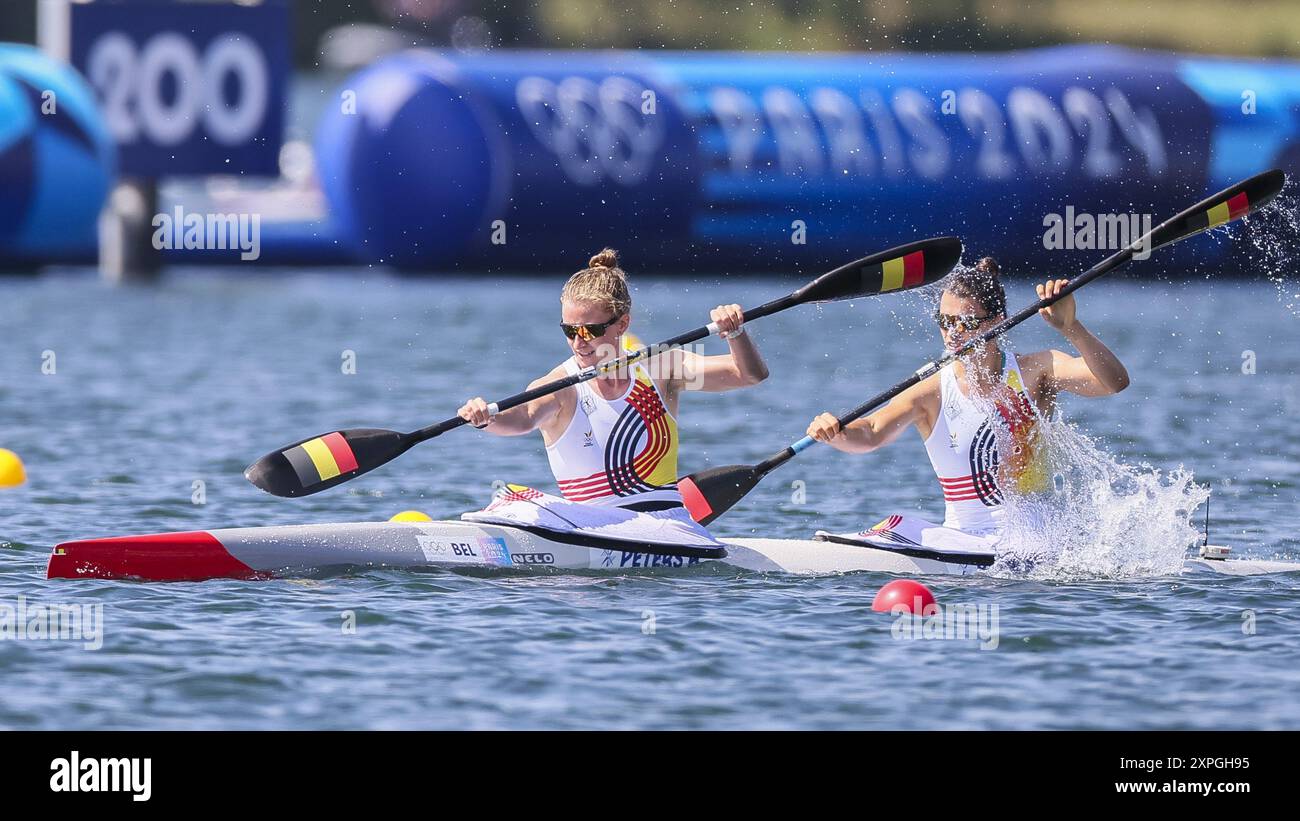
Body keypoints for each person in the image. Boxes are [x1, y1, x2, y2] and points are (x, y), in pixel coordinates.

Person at [805, 257, 1129, 542]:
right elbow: (873, 431)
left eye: (966, 322)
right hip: (962, 540)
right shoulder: (929, 391)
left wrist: (1071, 328)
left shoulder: (1036, 371)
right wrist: (838, 432)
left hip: (1035, 539)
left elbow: (1113, 382)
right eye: (945, 322)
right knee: (897, 524)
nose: (953, 333)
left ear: (998, 320)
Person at [456, 248, 769, 543]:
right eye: (569, 330)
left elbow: (749, 375)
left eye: (590, 330)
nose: (579, 341)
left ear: (622, 324)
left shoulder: (661, 367)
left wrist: (736, 334)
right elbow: (523, 418)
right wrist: (487, 418)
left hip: (666, 525)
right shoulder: (559, 385)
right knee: (512, 499)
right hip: (589, 527)